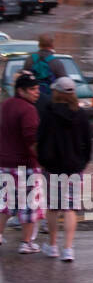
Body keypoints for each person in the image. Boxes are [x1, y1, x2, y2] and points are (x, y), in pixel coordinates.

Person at [36, 76, 93, 262]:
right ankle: (68, 249)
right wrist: (82, 163)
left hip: (52, 167)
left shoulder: (48, 113)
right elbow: (88, 142)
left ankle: (52, 246)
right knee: (70, 209)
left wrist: (43, 160)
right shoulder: (81, 115)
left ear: (57, 92)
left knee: (53, 208)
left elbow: (40, 140)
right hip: (74, 168)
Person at [0, 74, 45, 253]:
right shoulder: (28, 110)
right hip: (25, 165)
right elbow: (31, 139)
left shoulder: (4, 106)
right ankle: (26, 243)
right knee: (29, 204)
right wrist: (41, 160)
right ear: (21, 91)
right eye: (33, 90)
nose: (37, 93)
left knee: (3, 203)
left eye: (37, 89)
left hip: (4, 163)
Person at [24, 35, 67, 103]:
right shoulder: (56, 62)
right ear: (52, 45)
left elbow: (24, 79)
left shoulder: (30, 59)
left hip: (32, 99)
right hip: (50, 100)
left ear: (39, 45)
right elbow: (64, 83)